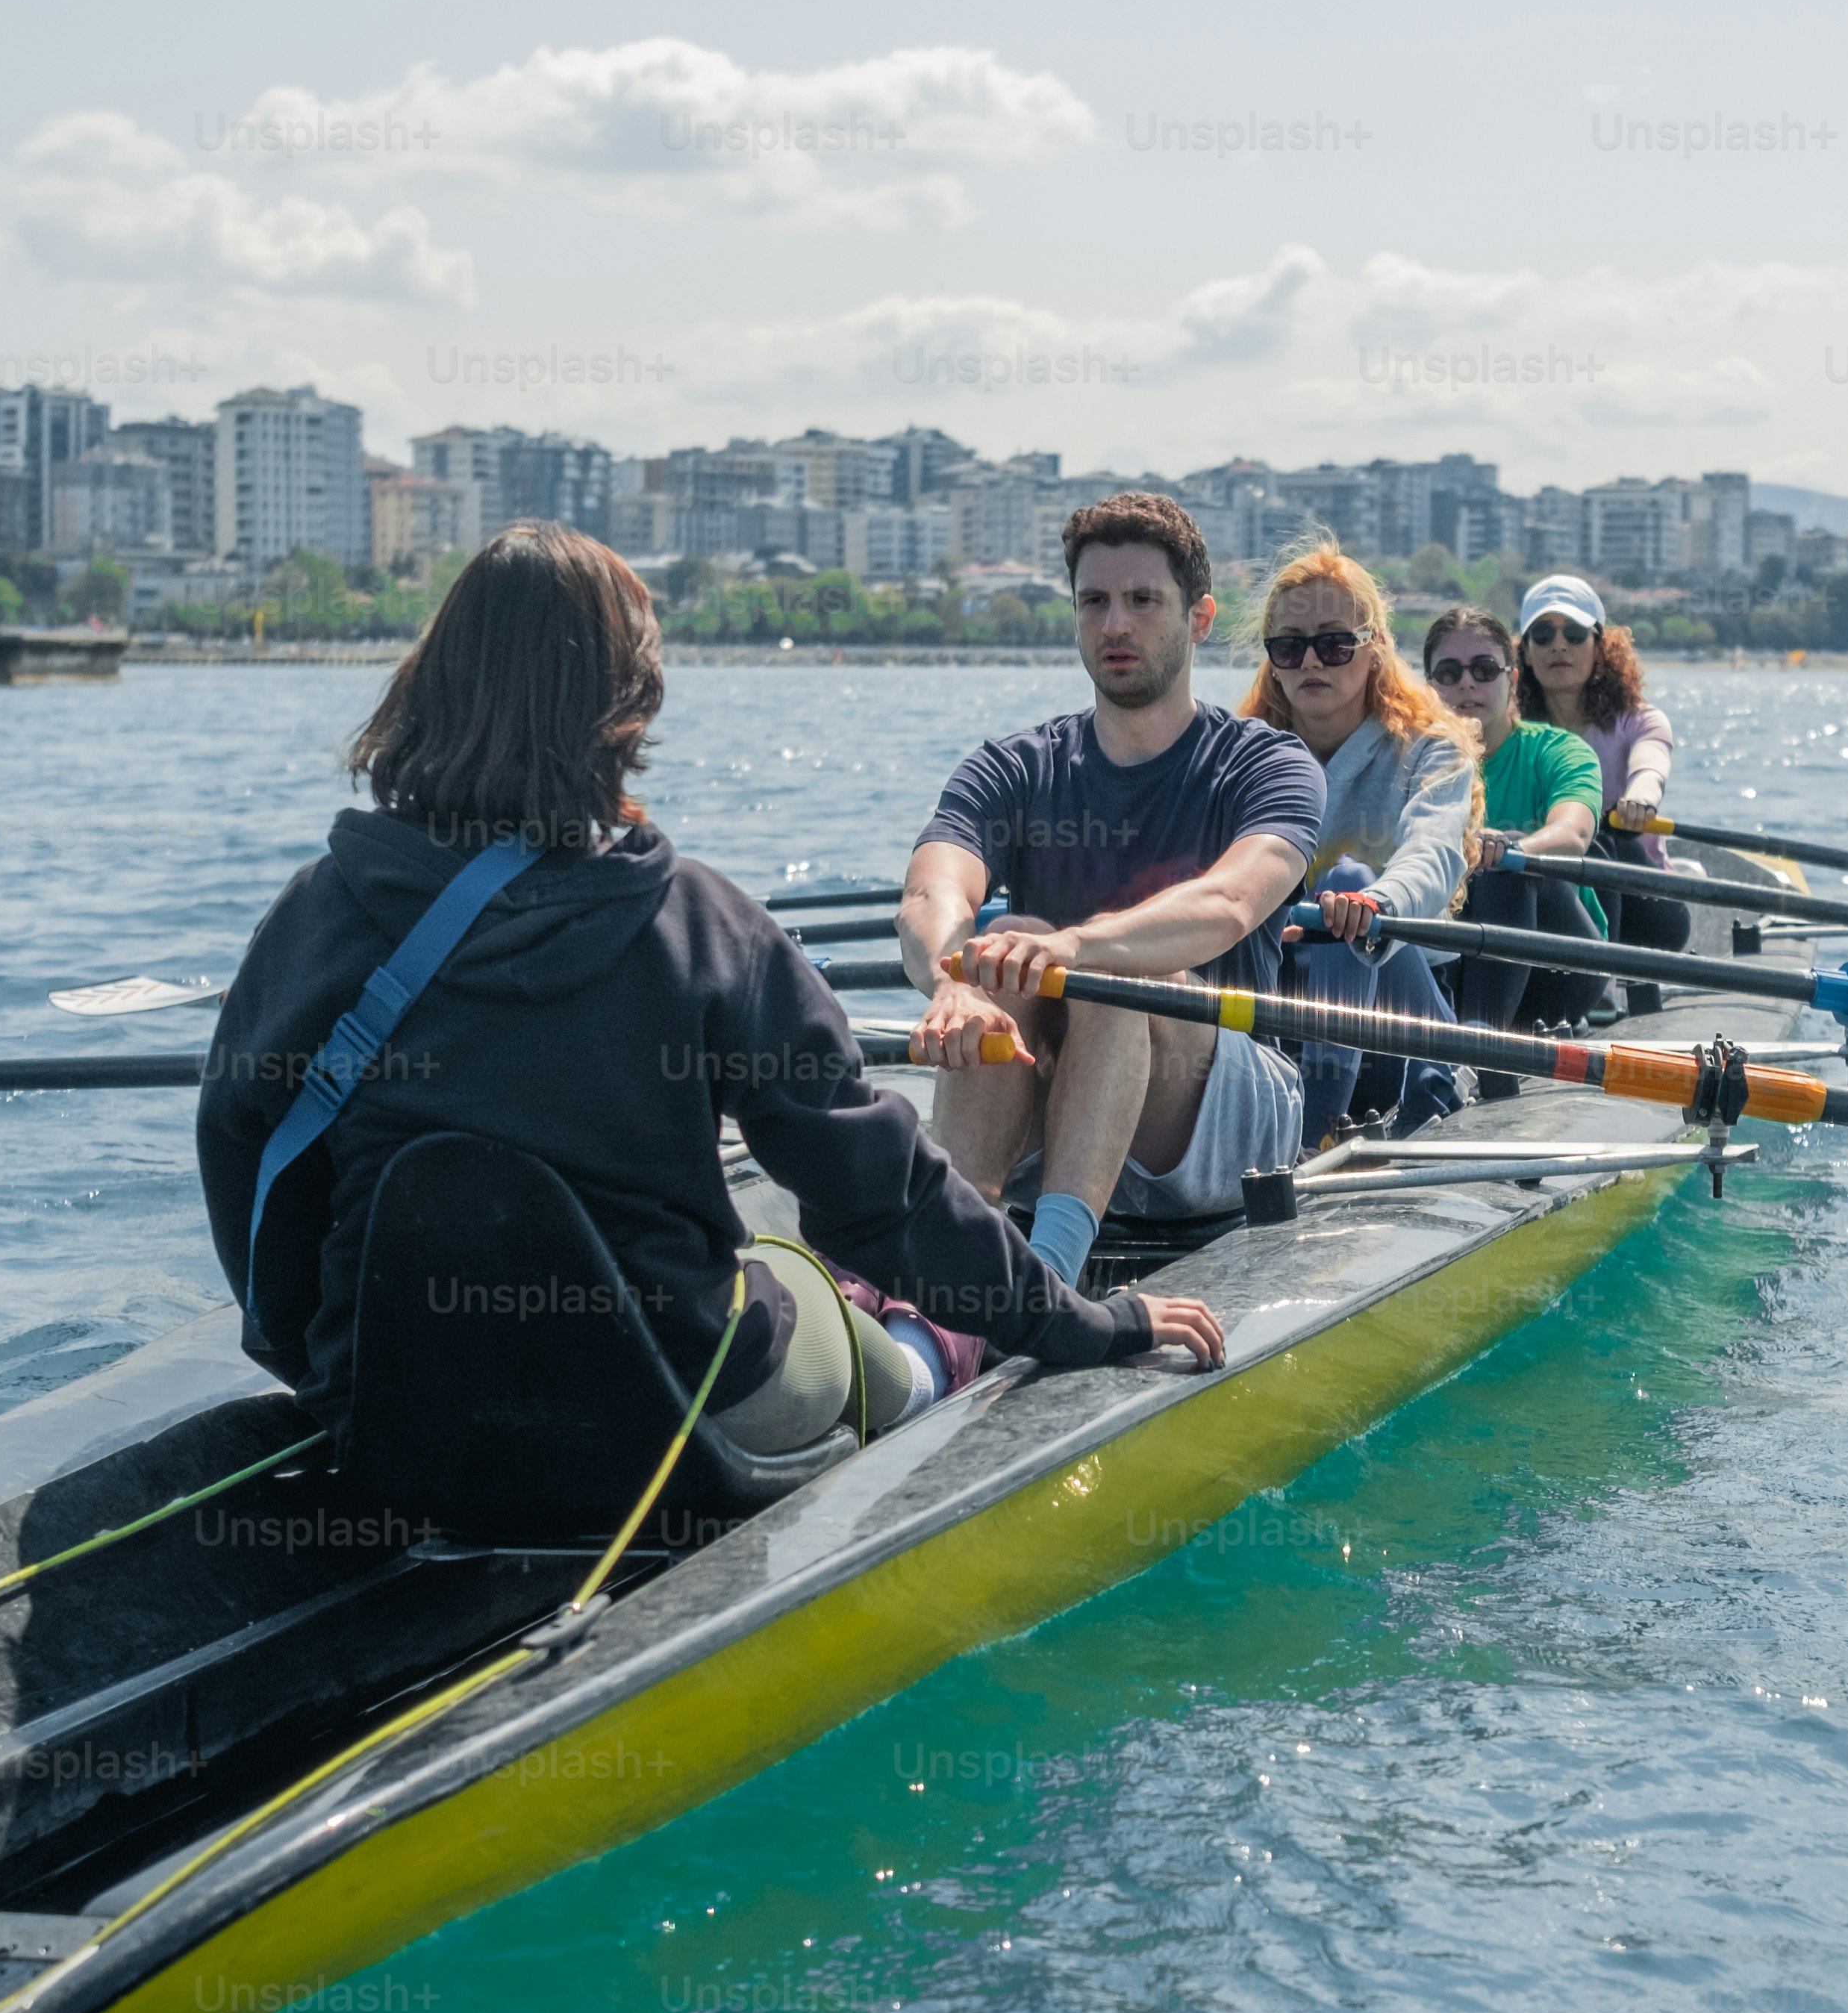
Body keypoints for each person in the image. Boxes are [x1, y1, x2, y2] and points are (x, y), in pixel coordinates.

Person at [200, 524, 1219, 1508]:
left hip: (392, 1400)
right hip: (675, 1405)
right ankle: (933, 1350)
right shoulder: (698, 924)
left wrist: (313, 1358)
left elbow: (243, 1148)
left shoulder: (318, 909)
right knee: (826, 1292)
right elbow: (883, 1198)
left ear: (431, 687)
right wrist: (1093, 1325)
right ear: (629, 706)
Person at [899, 491, 1321, 1287]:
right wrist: (950, 976)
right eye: (1094, 601)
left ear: (1199, 618)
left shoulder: (1269, 765)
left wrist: (1072, 945)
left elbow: (1229, 903)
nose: (1115, 624)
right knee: (996, 942)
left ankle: (1047, 1282)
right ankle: (953, 1279)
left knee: (1106, 966)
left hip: (1225, 1112)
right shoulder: (1015, 765)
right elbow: (931, 893)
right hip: (1061, 1079)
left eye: (1142, 600)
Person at [1239, 541, 1476, 1137]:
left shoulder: (1431, 749)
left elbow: (1435, 850)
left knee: (1350, 883)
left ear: (1375, 650)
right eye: (1290, 647)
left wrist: (1377, 905)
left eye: (1335, 643)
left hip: (1402, 1039)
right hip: (1274, 1010)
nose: (1312, 662)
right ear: (1273, 660)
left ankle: (1315, 1128)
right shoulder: (1243, 754)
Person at [1423, 600, 1609, 1040]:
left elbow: (1574, 831)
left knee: (1507, 865)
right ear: (1429, 687)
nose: (1467, 683)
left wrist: (1510, 849)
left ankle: (1475, 1045)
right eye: (1450, 673)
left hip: (1560, 970)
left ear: (1513, 680)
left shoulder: (1558, 751)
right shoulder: (1408, 761)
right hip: (1451, 963)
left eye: (1484, 669)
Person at [1514, 572, 1690, 999]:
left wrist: (1640, 799)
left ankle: (1602, 991)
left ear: (1599, 647)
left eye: (1574, 634)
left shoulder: (1640, 720)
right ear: (1525, 653)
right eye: (1543, 634)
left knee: (1595, 844)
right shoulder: (1511, 730)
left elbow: (1651, 767)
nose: (1559, 646)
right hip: (1554, 902)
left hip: (1646, 911)